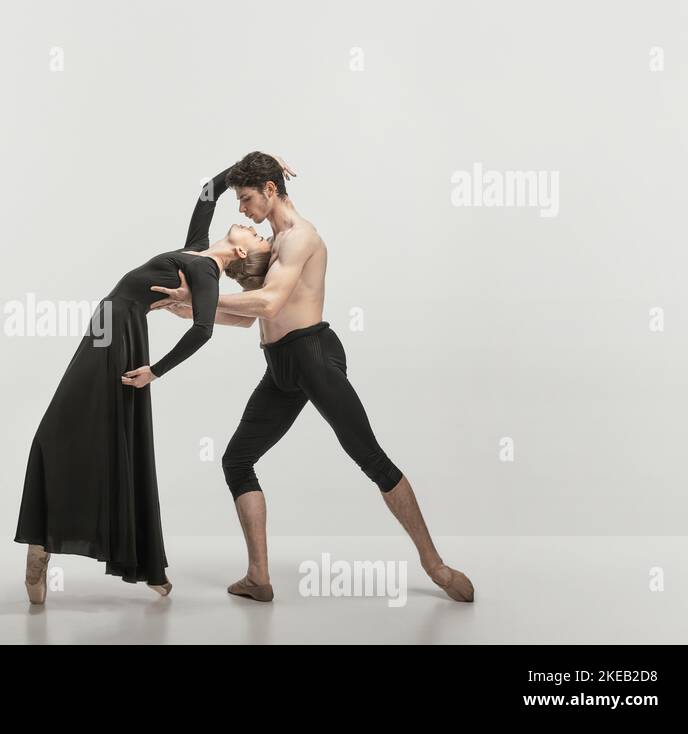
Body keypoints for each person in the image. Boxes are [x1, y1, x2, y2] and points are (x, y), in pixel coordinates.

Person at [151, 152, 475, 604]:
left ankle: (435, 565)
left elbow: (267, 303)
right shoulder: (270, 242)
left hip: (313, 356)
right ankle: (258, 578)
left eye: (245, 199)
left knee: (371, 459)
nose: (241, 210)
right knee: (237, 461)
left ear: (269, 190)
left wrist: (202, 298)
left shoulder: (300, 238)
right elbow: (250, 320)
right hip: (280, 364)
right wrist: (189, 309)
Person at [13, 166, 270, 604]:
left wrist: (155, 370)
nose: (252, 224)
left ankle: (52, 546)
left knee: (65, 435)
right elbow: (208, 193)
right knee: (85, 436)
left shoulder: (206, 274)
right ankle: (132, 560)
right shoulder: (197, 251)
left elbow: (203, 329)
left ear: (244, 255)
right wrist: (251, 164)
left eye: (259, 236)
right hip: (109, 329)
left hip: (118, 336)